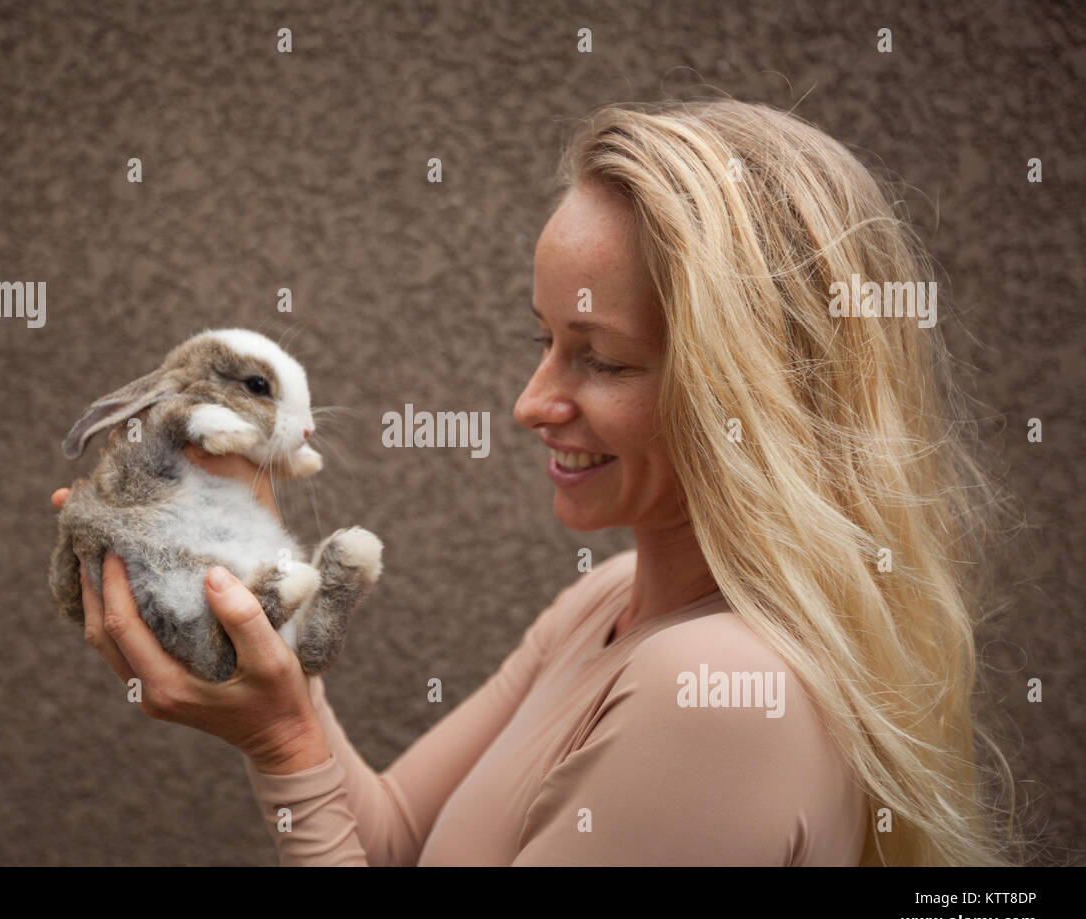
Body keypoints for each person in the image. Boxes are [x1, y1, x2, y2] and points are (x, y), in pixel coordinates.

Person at [53, 98, 1026, 866]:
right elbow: (389, 840)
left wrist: (284, 750)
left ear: (756, 393)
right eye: (544, 339)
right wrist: (276, 681)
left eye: (598, 359)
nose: (529, 402)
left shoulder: (714, 695)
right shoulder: (610, 598)